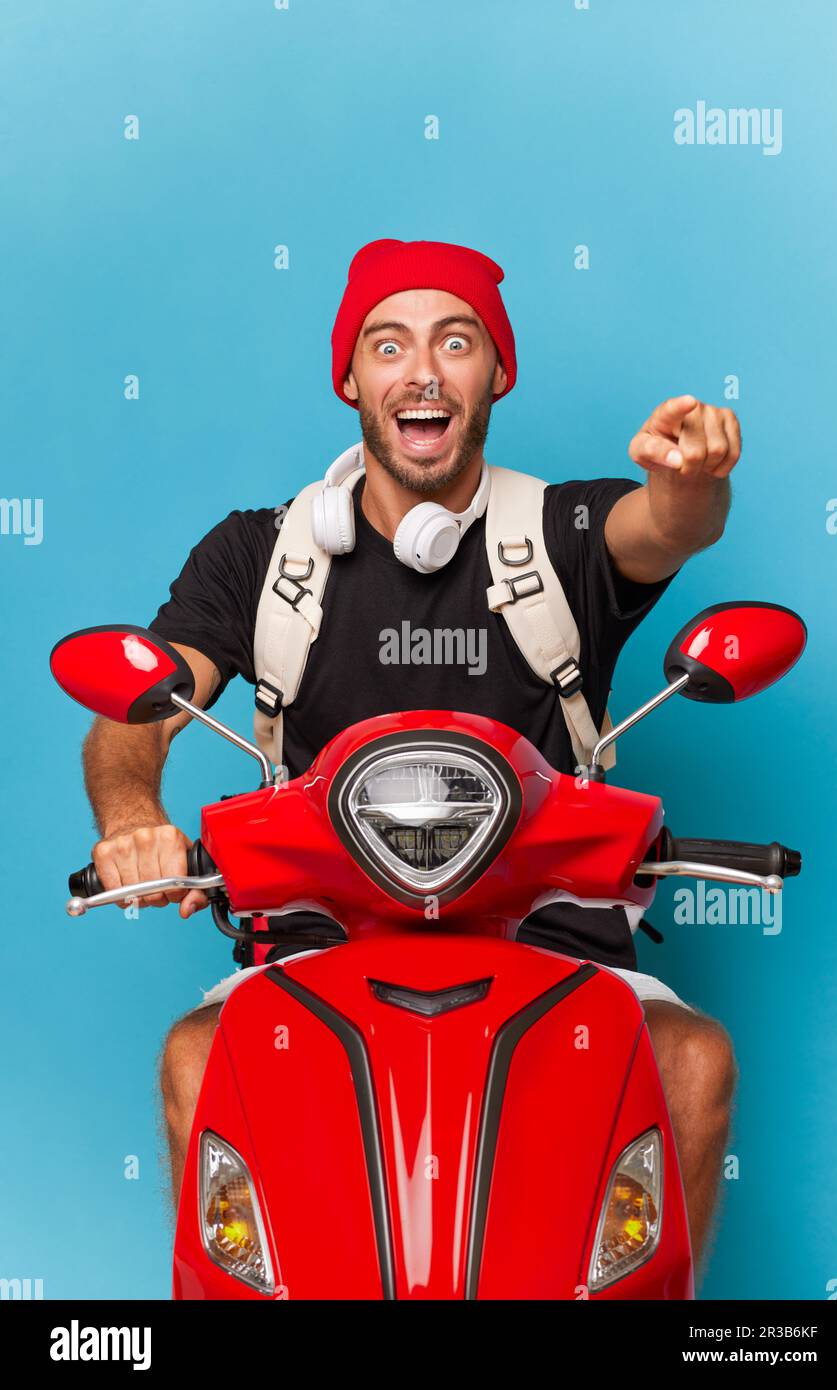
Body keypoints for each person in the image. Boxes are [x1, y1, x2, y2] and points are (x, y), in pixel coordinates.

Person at [82, 238, 741, 1278]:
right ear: (351, 377)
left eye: (457, 341)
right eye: (389, 344)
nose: (423, 369)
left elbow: (665, 526)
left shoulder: (561, 530)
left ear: (498, 374)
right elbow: (144, 701)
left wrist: (691, 481)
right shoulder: (262, 555)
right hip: (312, 948)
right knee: (197, 1053)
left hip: (557, 943)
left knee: (692, 1058)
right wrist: (129, 816)